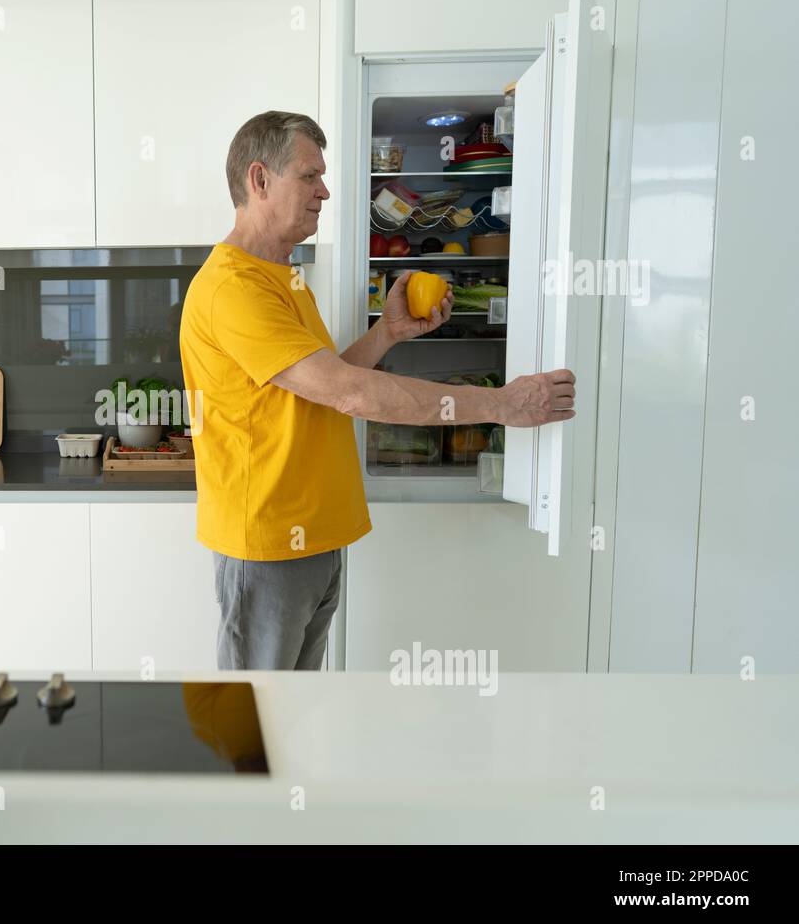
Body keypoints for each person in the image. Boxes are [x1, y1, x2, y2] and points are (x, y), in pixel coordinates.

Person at [179, 110, 575, 670]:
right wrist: (500, 405)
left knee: (292, 716)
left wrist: (387, 333)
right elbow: (347, 393)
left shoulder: (283, 279)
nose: (326, 191)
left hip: (312, 538)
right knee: (256, 723)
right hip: (268, 544)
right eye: (309, 176)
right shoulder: (232, 288)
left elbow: (316, 386)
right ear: (260, 180)